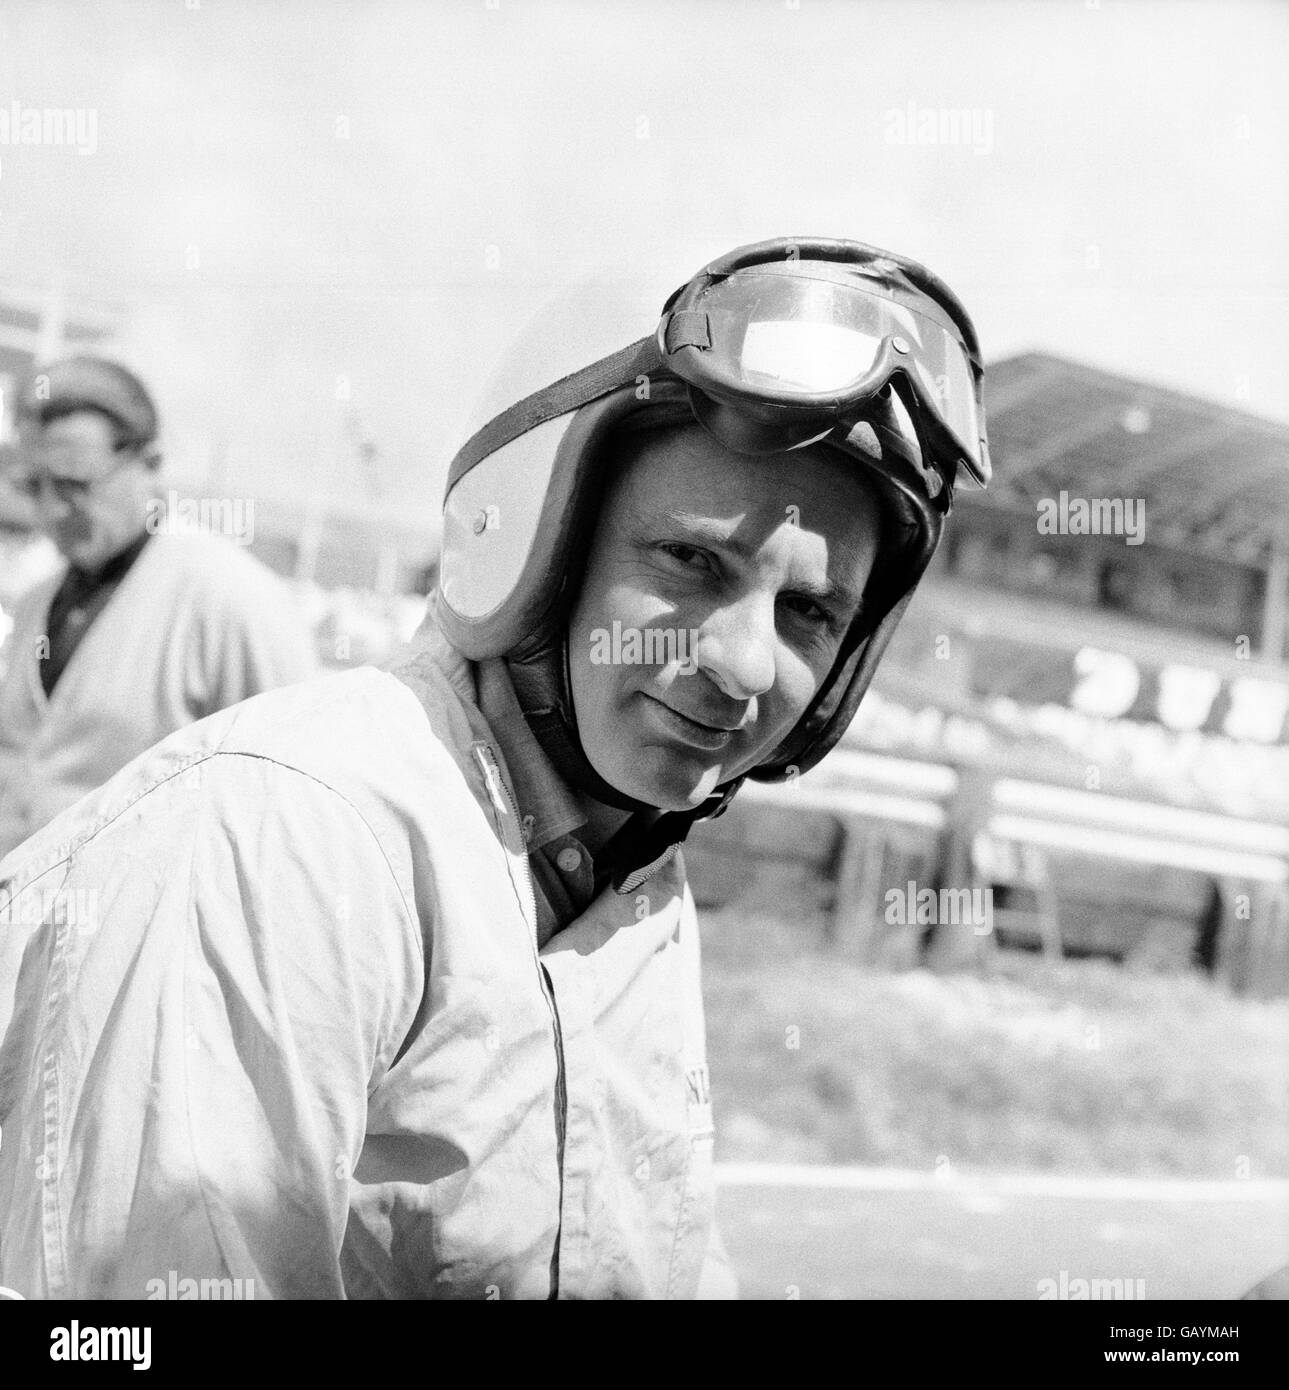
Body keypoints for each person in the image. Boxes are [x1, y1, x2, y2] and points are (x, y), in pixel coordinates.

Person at [0, 238, 989, 1299]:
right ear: (537, 544)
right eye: (690, 562)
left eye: (808, 612)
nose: (745, 663)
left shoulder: (626, 872)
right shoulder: (291, 842)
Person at [0, 355, 315, 858]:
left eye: (75, 485)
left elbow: (295, 797)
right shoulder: (37, 598)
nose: (51, 510)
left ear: (150, 464)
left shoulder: (230, 600)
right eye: (33, 485)